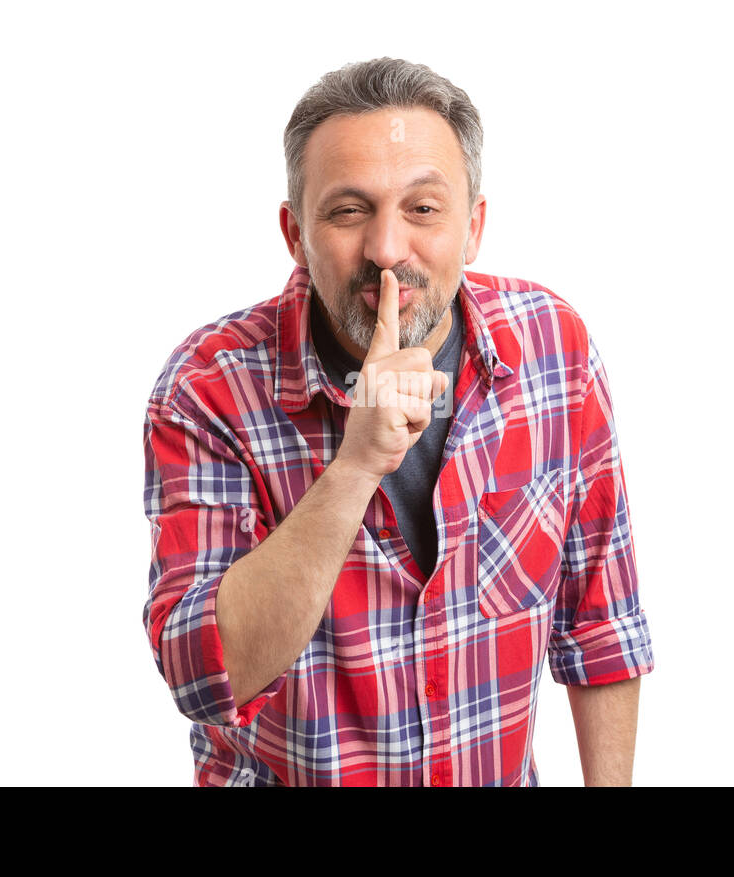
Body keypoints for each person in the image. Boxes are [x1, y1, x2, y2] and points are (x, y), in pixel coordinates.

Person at [141, 57, 654, 786]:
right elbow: (204, 674)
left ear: (473, 227)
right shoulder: (208, 388)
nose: (386, 250)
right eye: (349, 211)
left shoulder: (552, 349)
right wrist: (354, 467)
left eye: (422, 208)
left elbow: (602, 624)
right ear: (294, 234)